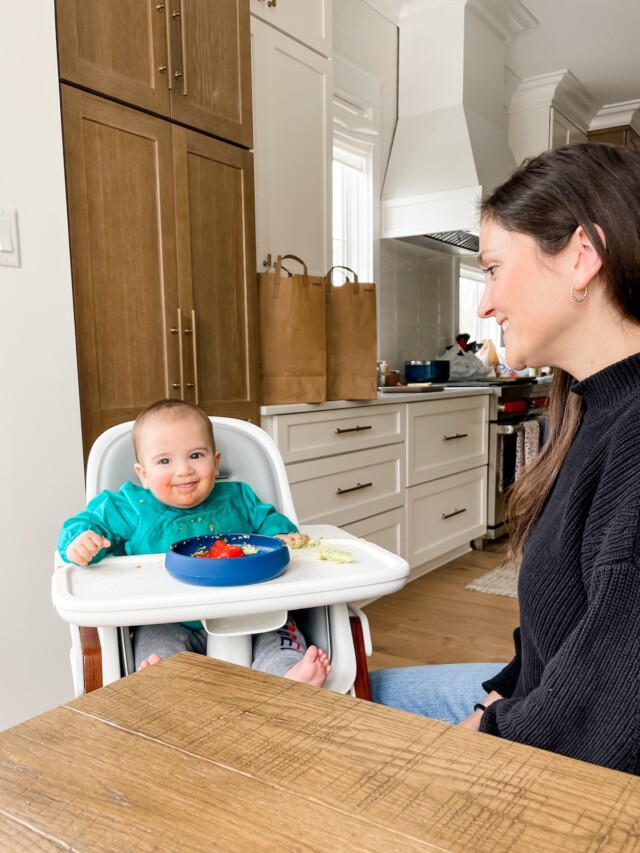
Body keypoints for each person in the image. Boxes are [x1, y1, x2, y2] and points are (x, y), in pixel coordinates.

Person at [370, 142, 640, 775]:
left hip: (570, 763)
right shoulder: (591, 405)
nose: (484, 305)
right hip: (537, 700)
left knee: (340, 716)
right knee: (348, 688)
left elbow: (612, 715)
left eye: (492, 269)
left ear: (581, 256)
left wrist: (486, 731)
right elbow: (567, 633)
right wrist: (499, 692)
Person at [58, 399, 331, 687]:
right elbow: (86, 523)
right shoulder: (129, 506)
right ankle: (168, 683)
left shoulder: (238, 497)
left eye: (196, 455)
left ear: (215, 462)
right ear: (143, 474)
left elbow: (270, 521)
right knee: (154, 644)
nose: (184, 470)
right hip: (167, 617)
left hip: (248, 609)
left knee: (278, 629)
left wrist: (280, 535)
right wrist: (81, 541)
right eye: (165, 461)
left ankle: (287, 675)